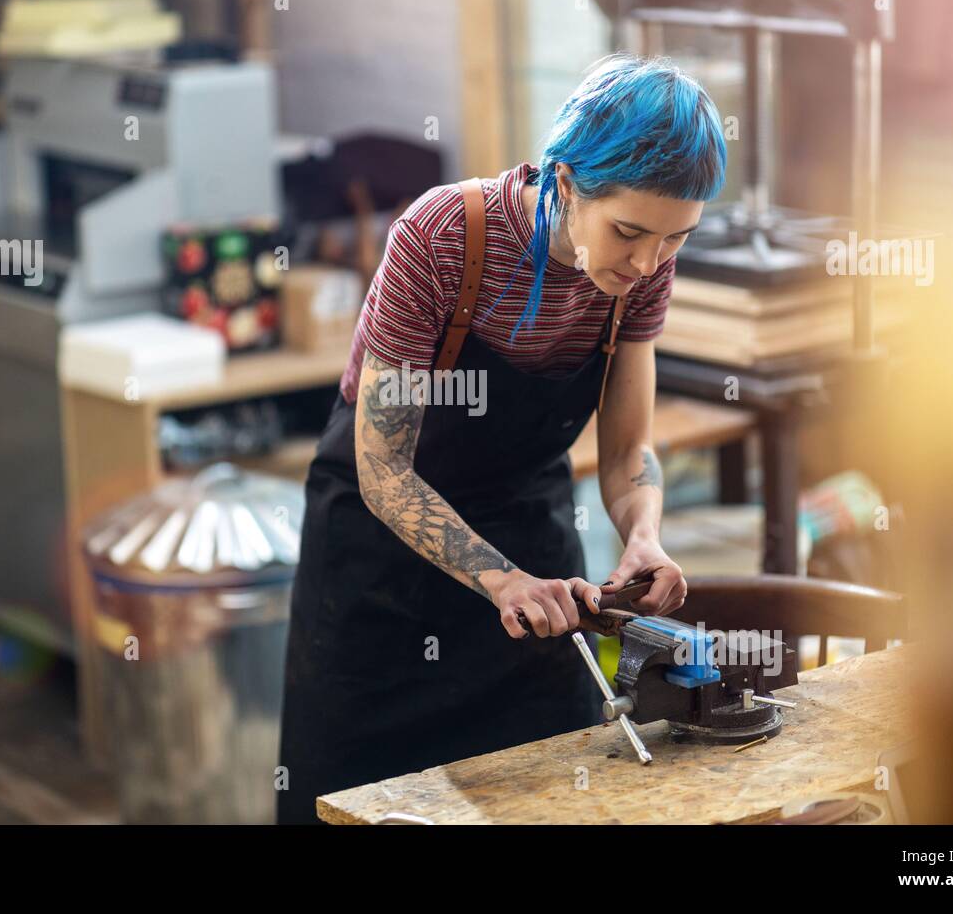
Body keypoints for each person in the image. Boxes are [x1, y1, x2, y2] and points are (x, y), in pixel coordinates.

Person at [276, 54, 728, 824]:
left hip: (531, 553)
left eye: (673, 239)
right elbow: (384, 470)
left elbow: (625, 455)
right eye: (627, 231)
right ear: (563, 179)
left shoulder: (644, 268)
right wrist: (502, 581)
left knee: (549, 795)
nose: (649, 262)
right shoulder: (442, 236)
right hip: (379, 572)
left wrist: (644, 536)